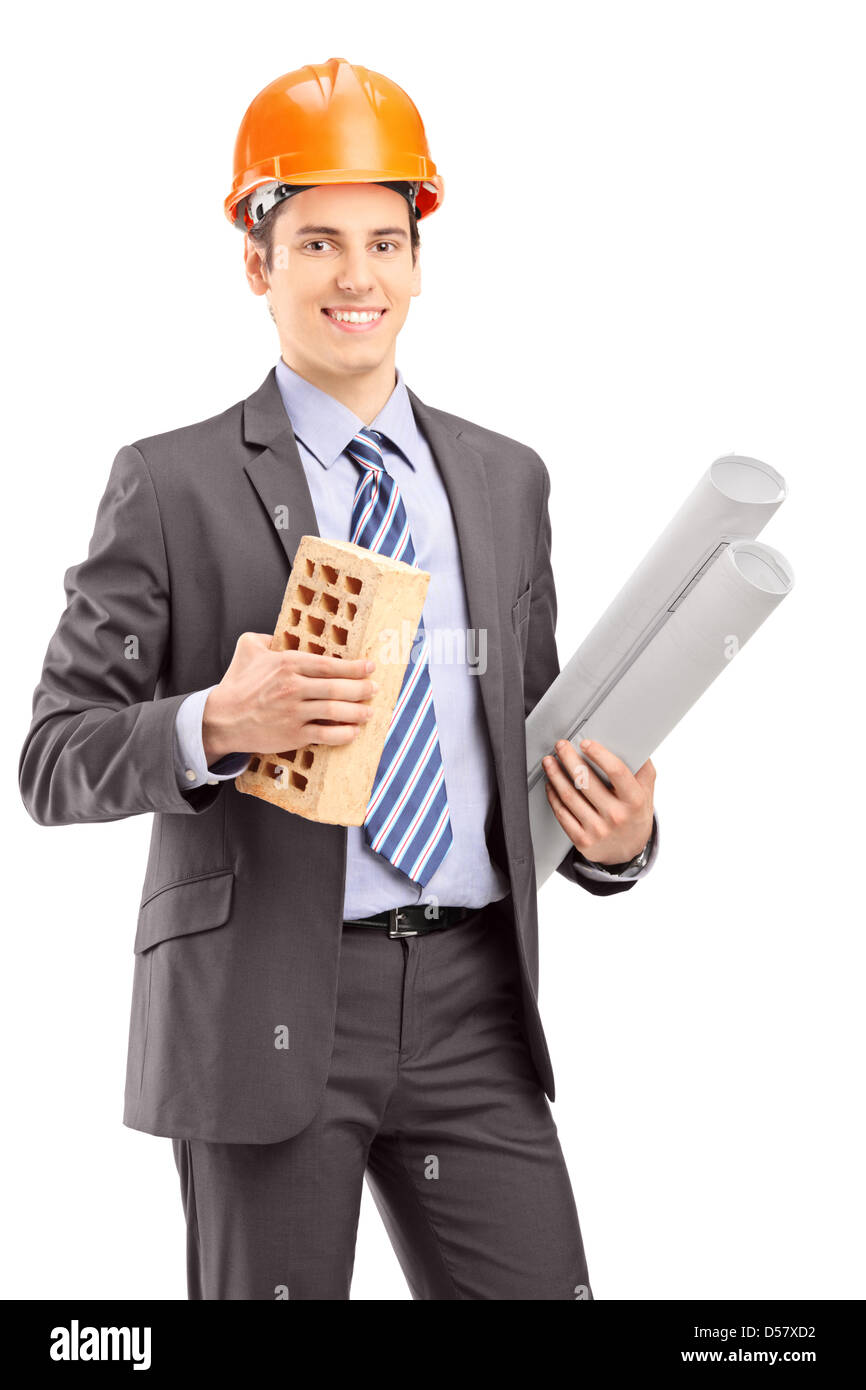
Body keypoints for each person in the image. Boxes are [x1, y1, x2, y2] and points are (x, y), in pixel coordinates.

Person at [19, 56, 659, 1300]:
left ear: (419, 259)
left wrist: (616, 837)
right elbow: (52, 756)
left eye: (383, 239)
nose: (356, 276)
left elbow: (531, 737)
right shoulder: (171, 481)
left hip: (476, 997)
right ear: (258, 264)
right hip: (269, 996)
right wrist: (216, 721)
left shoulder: (504, 478)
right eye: (317, 241)